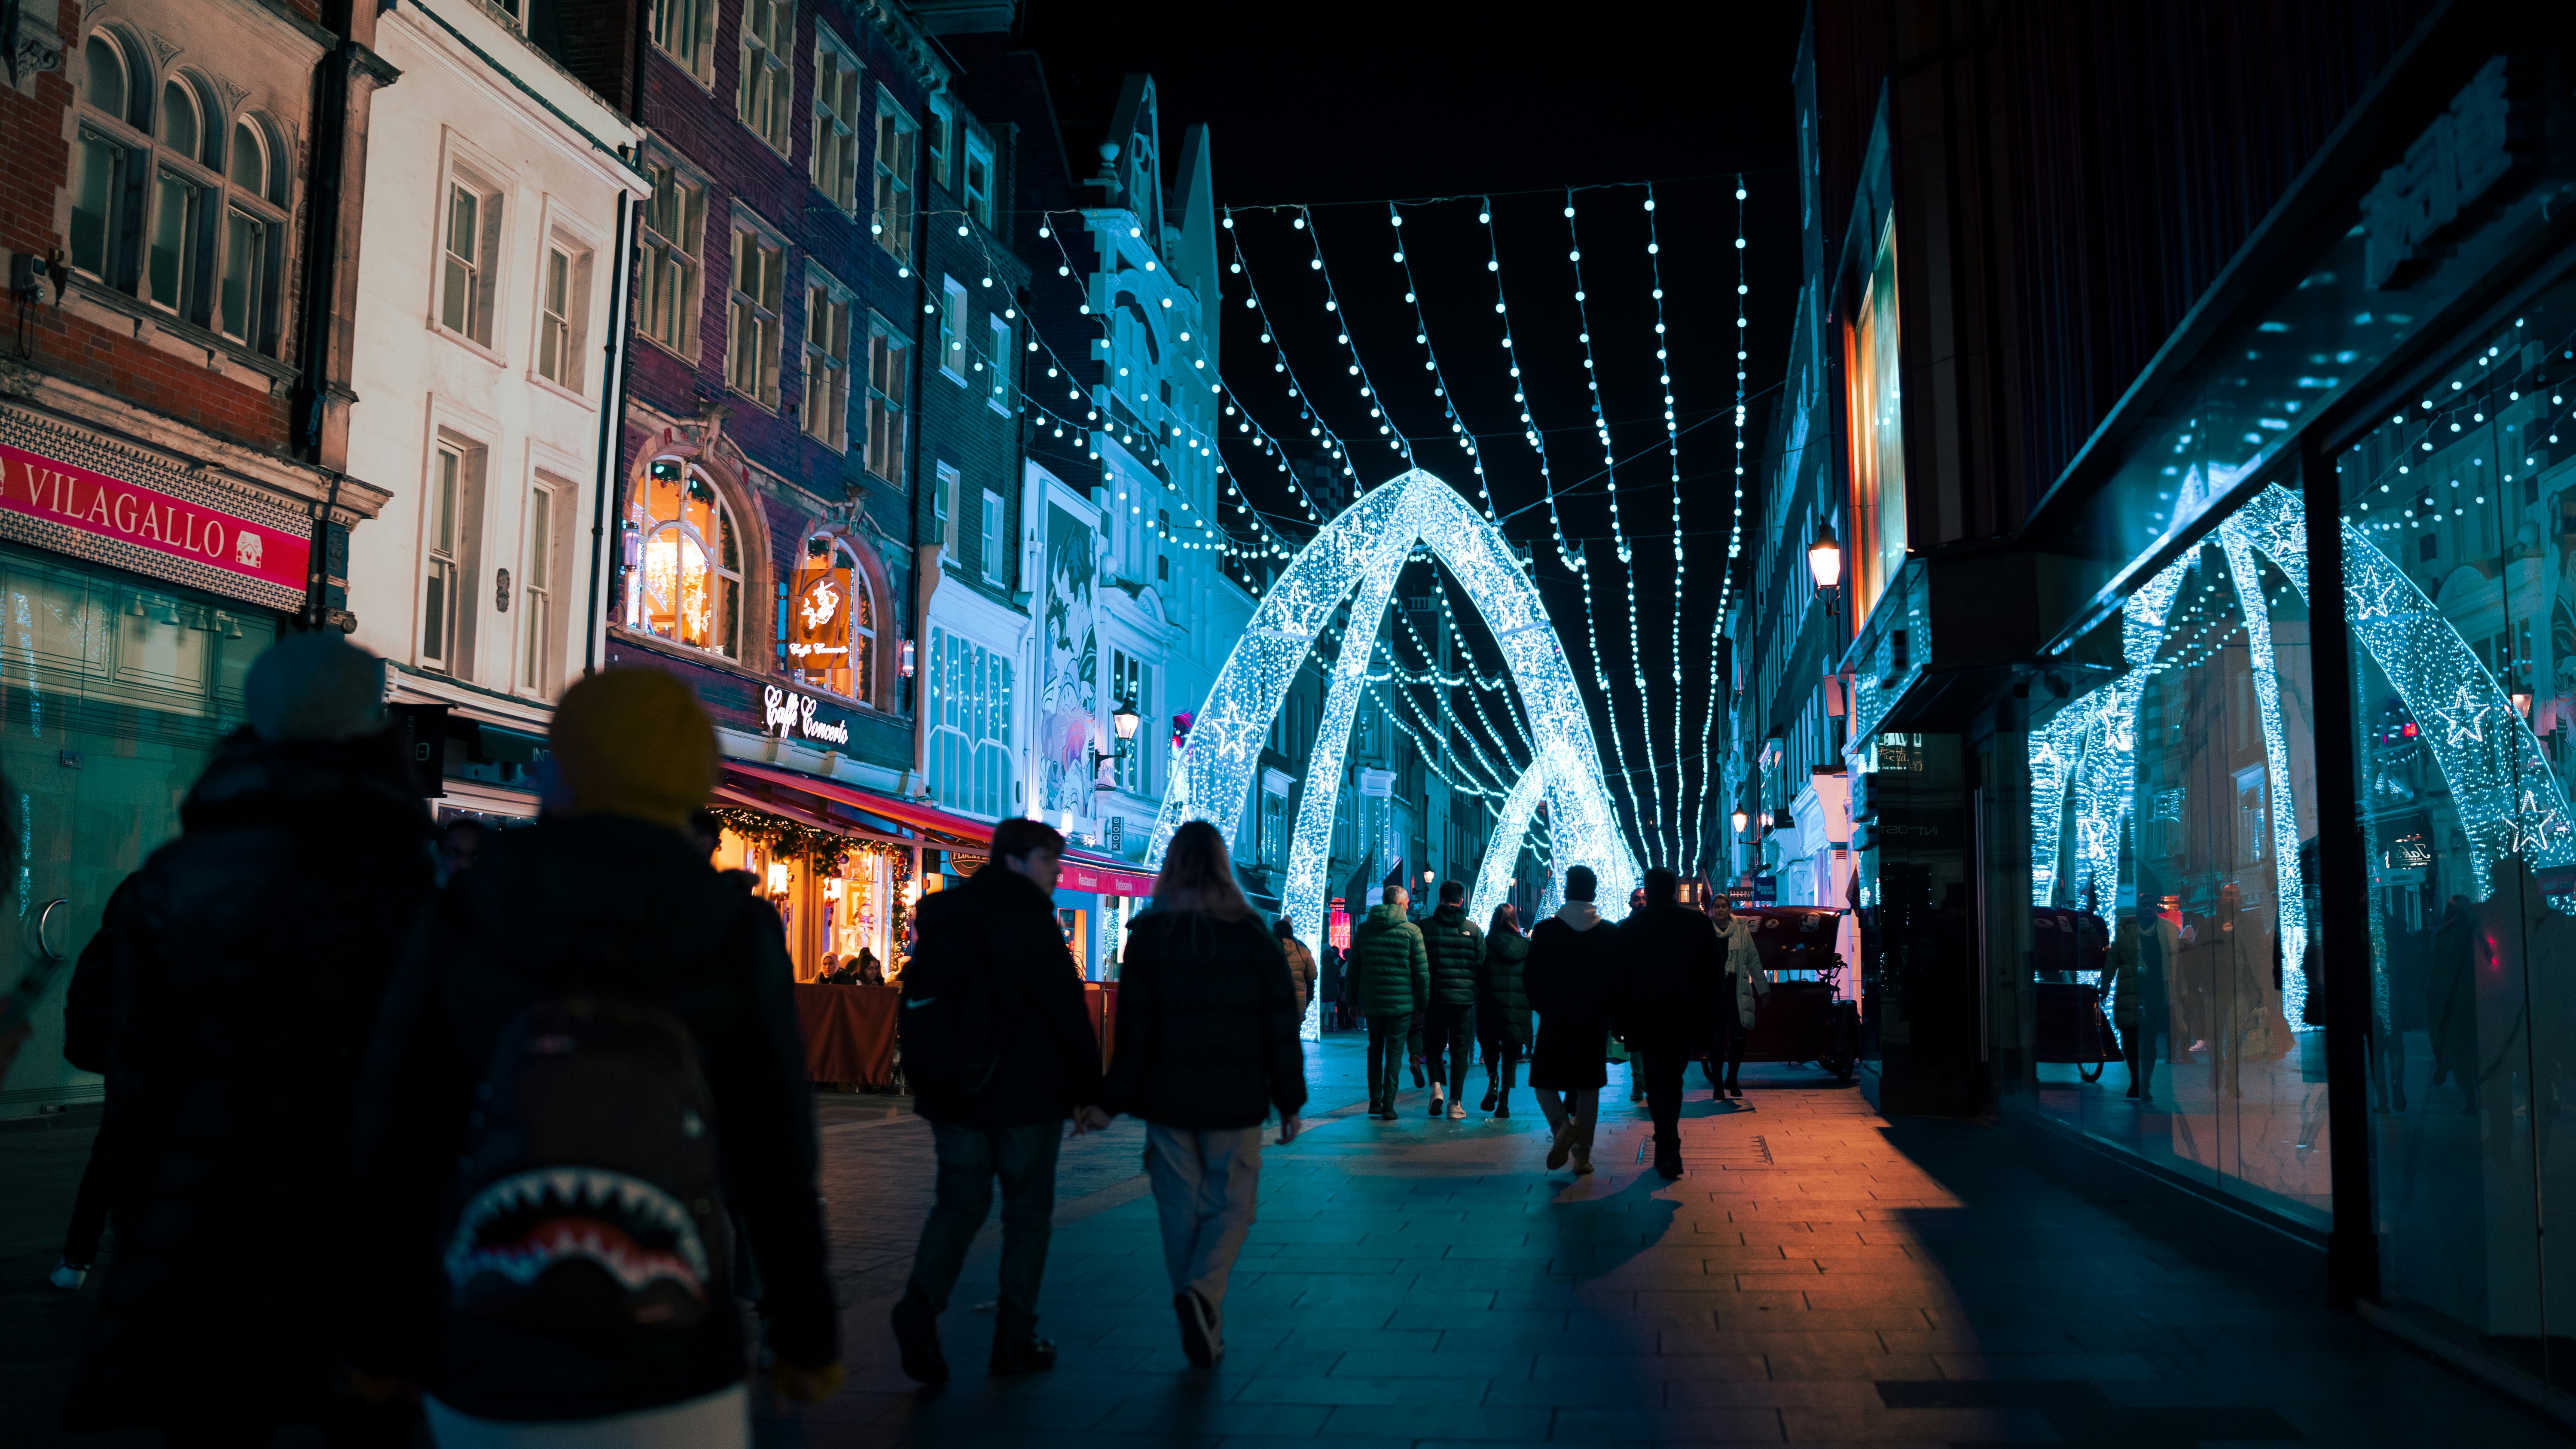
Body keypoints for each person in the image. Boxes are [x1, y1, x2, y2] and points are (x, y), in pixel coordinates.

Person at [348, 668, 840, 1445]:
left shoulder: (468, 907)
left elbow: (401, 1132)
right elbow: (774, 1148)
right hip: (675, 1342)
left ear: (560, 762)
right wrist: (806, 1329)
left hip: (488, 1330)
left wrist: (381, 1338)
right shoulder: (731, 929)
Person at [65, 634, 438, 1445]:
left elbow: (136, 1083)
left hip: (189, 1238)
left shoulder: (176, 873)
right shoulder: (411, 881)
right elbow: (424, 1099)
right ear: (368, 723)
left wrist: (142, 1224)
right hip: (348, 1250)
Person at [889, 816, 1109, 1385]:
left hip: (954, 1094)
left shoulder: (949, 918)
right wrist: (1088, 1093)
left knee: (958, 1203)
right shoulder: (1030, 921)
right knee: (1027, 1212)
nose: (1057, 873)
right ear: (1016, 859)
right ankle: (1015, 1335)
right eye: (1049, 861)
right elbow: (1067, 1012)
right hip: (1024, 1096)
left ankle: (920, 1305)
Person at [1103, 822, 1306, 1369]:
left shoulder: (1148, 935)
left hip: (1167, 1098)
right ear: (1224, 866)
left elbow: (1133, 1031)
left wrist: (1109, 1097)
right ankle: (1202, 1293)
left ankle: (1199, 1310)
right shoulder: (1251, 935)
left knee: (1177, 1207)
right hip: (1233, 1098)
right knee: (1233, 1203)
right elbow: (1279, 1025)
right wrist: (1289, 1100)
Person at [1614, 867, 1724, 1179]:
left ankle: (1666, 1140)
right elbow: (1712, 976)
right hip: (1682, 1016)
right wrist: (1709, 1020)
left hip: (1646, 1017)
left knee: (1655, 1078)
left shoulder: (1632, 927)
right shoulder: (1697, 924)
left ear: (1648, 891)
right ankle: (1669, 1142)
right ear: (1675, 888)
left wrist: (1620, 1022)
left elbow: (1620, 980)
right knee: (1673, 1079)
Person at [1526, 868, 1617, 1175]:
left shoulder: (1546, 931)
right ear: (1594, 892)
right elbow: (1618, 982)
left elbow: (1531, 978)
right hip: (1592, 1021)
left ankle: (1561, 1126)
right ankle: (1583, 1157)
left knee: (1543, 1081)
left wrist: (1544, 1006)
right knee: (1589, 1089)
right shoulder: (1609, 934)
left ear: (1566, 891)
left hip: (1555, 1018)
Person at [1349, 886, 1429, 1120]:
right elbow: (1421, 972)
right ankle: (1388, 1105)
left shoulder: (1364, 930)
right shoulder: (1412, 932)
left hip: (1373, 1002)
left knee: (1374, 1049)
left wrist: (1353, 1001)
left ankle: (1374, 1101)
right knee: (1394, 1053)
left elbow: (1354, 969)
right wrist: (1423, 1003)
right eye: (1406, 904)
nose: (1408, 907)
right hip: (1401, 1004)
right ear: (1399, 904)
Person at [1418, 880, 1486, 1119]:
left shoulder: (1425, 927)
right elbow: (1481, 967)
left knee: (1434, 1048)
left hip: (1435, 1000)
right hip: (1464, 1002)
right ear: (1462, 900)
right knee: (1459, 1052)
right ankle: (1455, 1103)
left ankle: (1436, 1087)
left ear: (1440, 898)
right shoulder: (1474, 931)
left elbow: (1418, 964)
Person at [1705, 890, 1766, 1100]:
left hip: (1736, 991)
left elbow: (1753, 960)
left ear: (1730, 909)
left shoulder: (1741, 930)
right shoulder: (1705, 931)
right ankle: (1719, 1085)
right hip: (1713, 993)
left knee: (1739, 1038)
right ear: (1712, 910)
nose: (1721, 910)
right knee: (1716, 1040)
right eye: (1717, 906)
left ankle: (1733, 1078)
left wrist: (1763, 989)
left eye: (1725, 906)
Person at [1477, 902, 1532, 1117]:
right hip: (1517, 1007)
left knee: (1489, 1044)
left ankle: (1492, 1080)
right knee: (1510, 1055)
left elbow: (1479, 974)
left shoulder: (1487, 944)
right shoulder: (1526, 946)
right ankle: (1505, 1102)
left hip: (1491, 1003)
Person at [1275, 915, 1318, 1020]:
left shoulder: (1268, 948)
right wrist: (1309, 997)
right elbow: (1312, 975)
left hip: (1274, 997)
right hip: (1298, 999)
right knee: (1293, 1031)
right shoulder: (1302, 949)